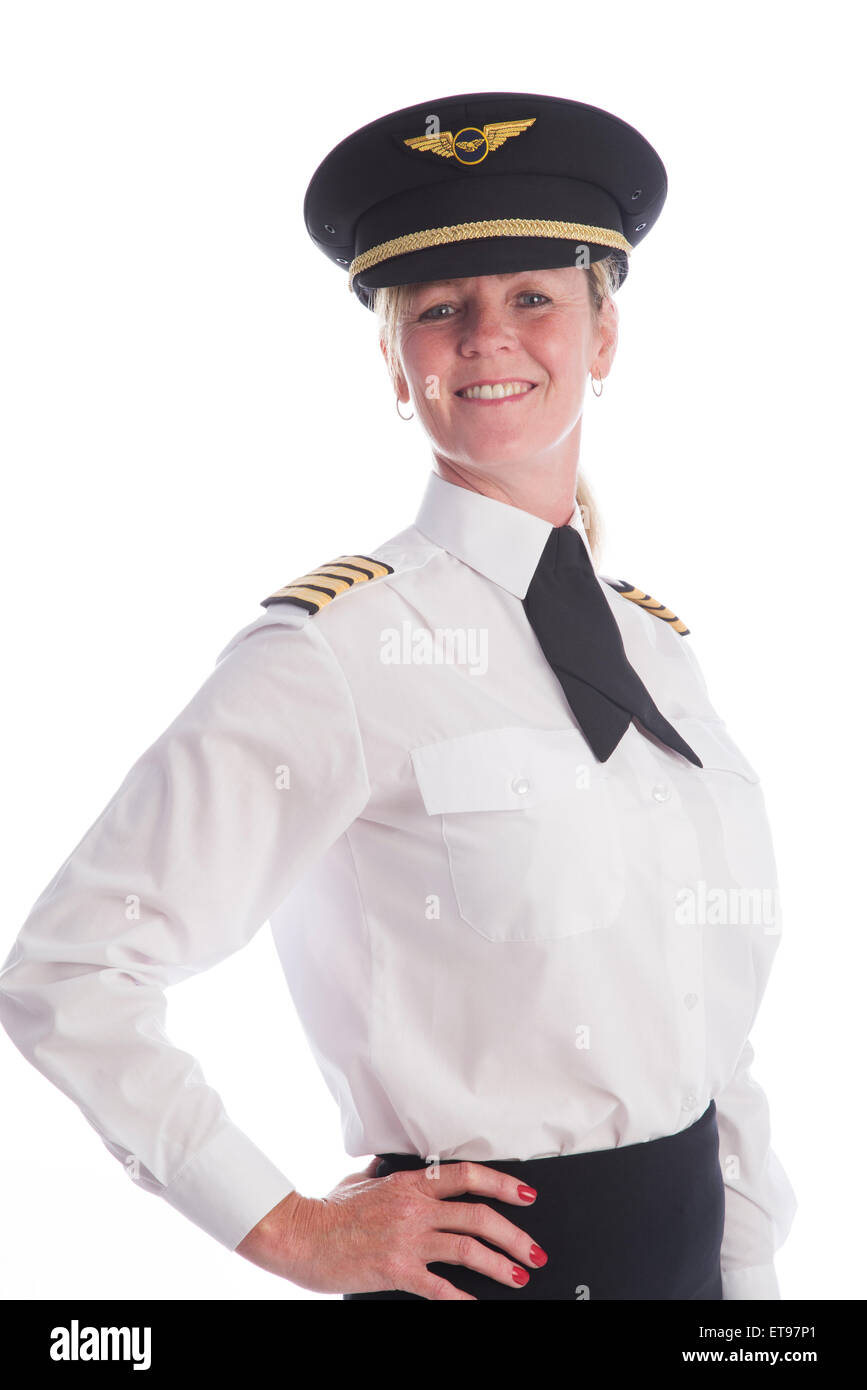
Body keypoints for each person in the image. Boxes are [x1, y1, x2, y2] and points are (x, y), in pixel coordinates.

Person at [0, 90, 796, 1301]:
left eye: (534, 296)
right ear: (393, 358)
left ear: (606, 334)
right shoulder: (335, 650)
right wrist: (287, 1228)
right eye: (440, 310)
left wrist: (751, 1290)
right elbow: (70, 968)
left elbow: (708, 1033)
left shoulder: (659, 652)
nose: (489, 337)